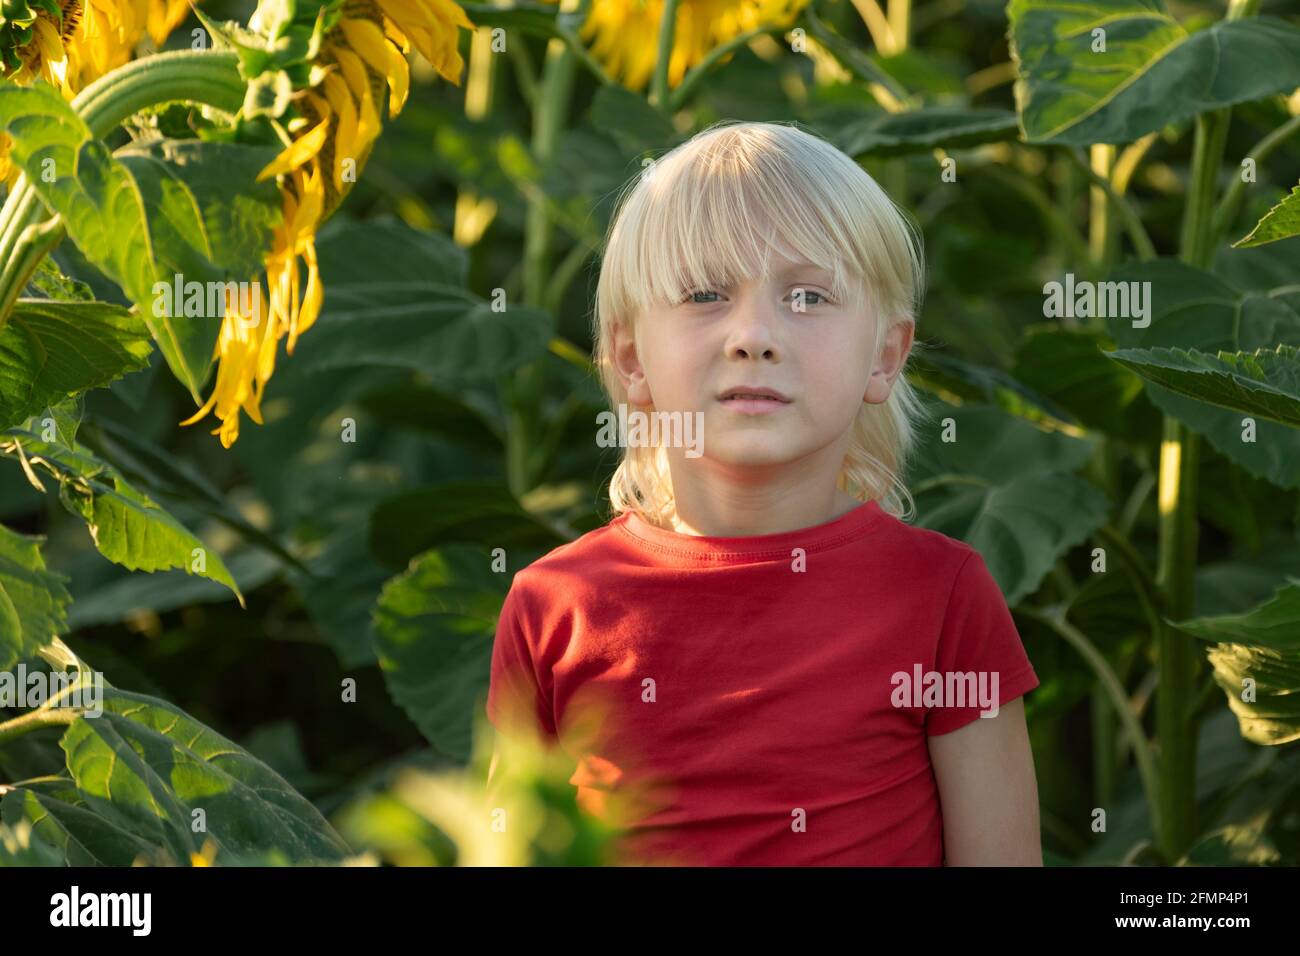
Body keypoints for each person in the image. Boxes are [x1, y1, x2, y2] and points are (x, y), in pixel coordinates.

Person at [485, 120, 1041, 866]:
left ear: (885, 356)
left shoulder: (942, 598)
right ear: (630, 360)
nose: (754, 335)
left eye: (807, 297)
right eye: (705, 294)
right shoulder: (553, 606)